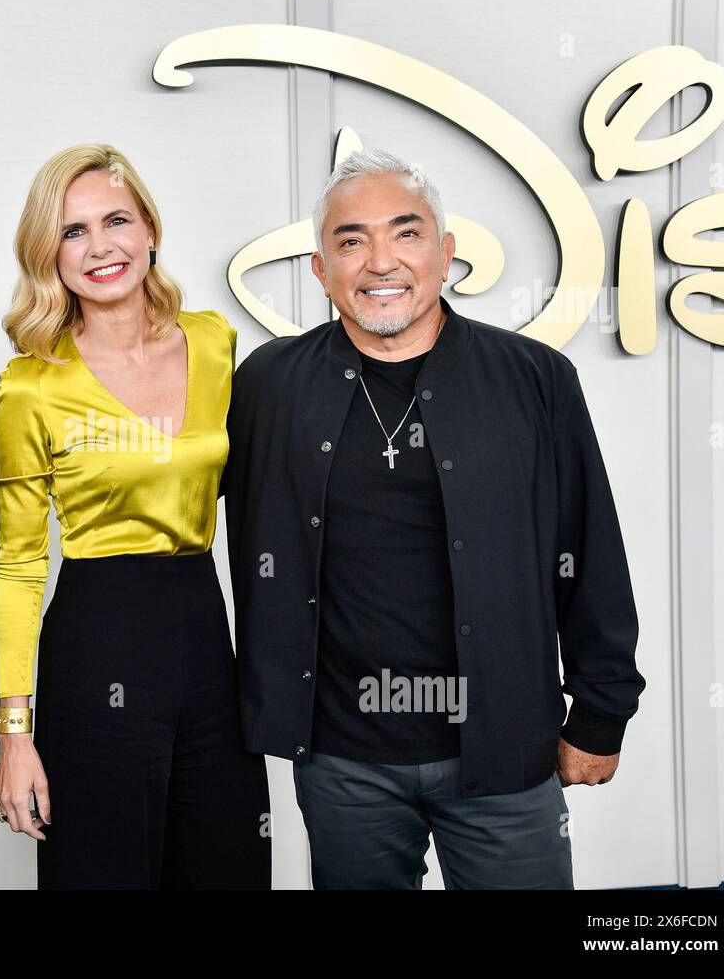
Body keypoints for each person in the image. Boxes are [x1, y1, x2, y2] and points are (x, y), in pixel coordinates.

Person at [223, 148, 645, 890]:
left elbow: (590, 549)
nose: (379, 261)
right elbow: (166, 488)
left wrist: (601, 711)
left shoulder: (534, 378)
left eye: (406, 233)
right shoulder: (269, 383)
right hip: (342, 760)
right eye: (350, 240)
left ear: (446, 255)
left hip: (505, 749)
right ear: (321, 270)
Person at [0, 143, 271, 889]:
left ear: (150, 226)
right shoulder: (30, 387)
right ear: (49, 254)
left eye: (115, 219)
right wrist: (15, 734)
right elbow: (18, 564)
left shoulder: (215, 342)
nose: (100, 246)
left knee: (230, 869)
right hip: (96, 652)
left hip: (209, 650)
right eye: (73, 231)